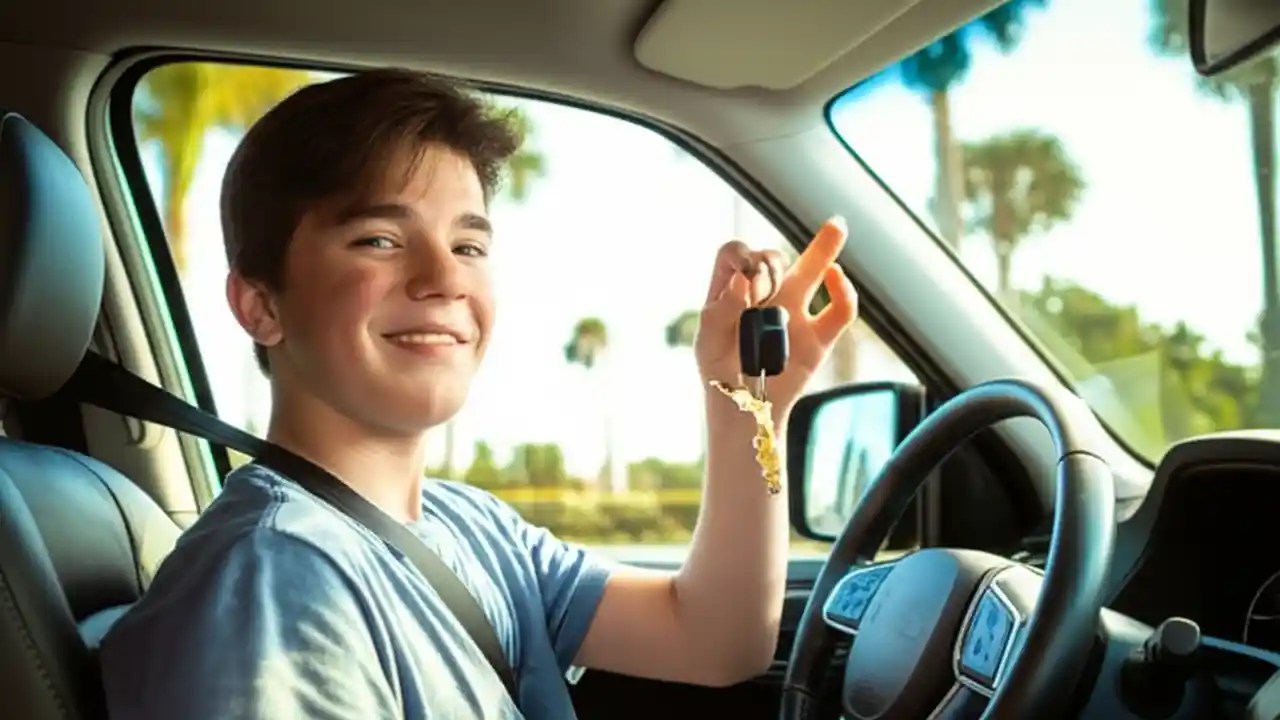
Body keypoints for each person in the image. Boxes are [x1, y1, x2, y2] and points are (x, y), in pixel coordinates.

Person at [100, 68, 857, 719]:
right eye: (380, 240)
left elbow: (714, 638)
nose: (444, 278)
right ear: (260, 304)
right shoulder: (273, 585)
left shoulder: (471, 526)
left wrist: (746, 405)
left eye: (469, 245)